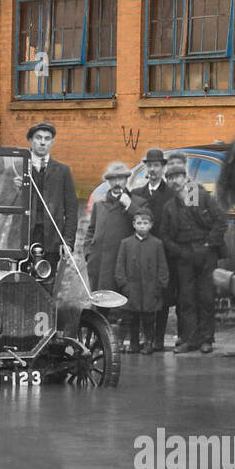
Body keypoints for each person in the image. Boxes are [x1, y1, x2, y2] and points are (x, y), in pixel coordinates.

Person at [160, 165, 226, 353]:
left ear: (185, 177)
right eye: (170, 178)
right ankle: (190, 339)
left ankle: (206, 339)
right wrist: (179, 251)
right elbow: (164, 234)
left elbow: (220, 221)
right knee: (186, 299)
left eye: (178, 176)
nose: (174, 181)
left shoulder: (202, 196)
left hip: (206, 254)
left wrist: (209, 245)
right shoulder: (170, 206)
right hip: (184, 256)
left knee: (206, 296)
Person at [130, 148, 178, 350]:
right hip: (142, 252)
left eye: (157, 166)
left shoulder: (172, 194)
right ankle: (144, 338)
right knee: (143, 294)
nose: (153, 170)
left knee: (163, 295)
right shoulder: (137, 193)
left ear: (163, 168)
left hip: (164, 252)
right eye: (149, 166)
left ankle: (158, 339)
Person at [114, 207, 170, 355]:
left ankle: (148, 343)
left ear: (151, 225)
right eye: (139, 223)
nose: (142, 226)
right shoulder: (126, 243)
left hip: (150, 289)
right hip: (132, 290)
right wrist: (123, 285)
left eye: (145, 223)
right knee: (132, 317)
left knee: (149, 319)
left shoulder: (157, 244)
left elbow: (163, 267)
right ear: (133, 224)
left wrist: (160, 286)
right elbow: (119, 267)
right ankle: (133, 343)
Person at [26, 123, 78, 275]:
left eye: (47, 139)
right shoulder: (18, 167)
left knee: (47, 284)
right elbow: (6, 203)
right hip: (23, 238)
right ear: (30, 140)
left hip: (51, 239)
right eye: (38, 138)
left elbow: (71, 210)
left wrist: (67, 242)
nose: (43, 142)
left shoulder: (62, 171)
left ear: (52, 142)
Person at [84, 161, 140, 292]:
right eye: (113, 179)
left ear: (126, 180)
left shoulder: (136, 202)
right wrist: (89, 253)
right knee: (100, 301)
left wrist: (129, 205)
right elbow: (91, 231)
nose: (117, 183)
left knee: (120, 303)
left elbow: (144, 223)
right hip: (98, 264)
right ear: (108, 182)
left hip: (121, 265)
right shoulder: (99, 205)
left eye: (121, 178)